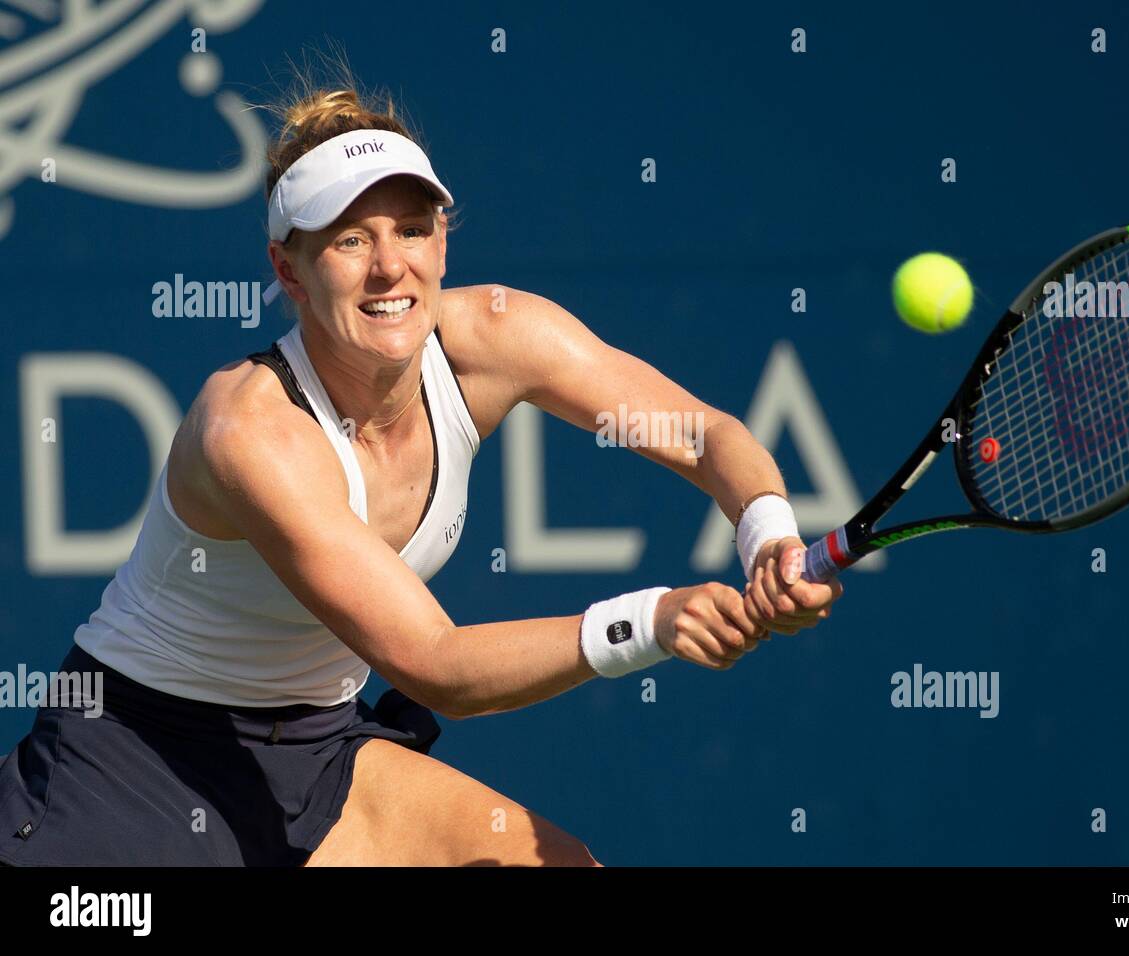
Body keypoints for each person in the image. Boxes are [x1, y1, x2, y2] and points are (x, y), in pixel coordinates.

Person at [0, 77, 842, 867]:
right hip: (126, 768)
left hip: (318, 755)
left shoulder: (503, 336)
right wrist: (649, 621)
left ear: (443, 240)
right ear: (288, 269)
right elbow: (435, 665)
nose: (388, 267)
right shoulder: (250, 430)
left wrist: (767, 531)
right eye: (350, 239)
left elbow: (704, 437)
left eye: (410, 228)